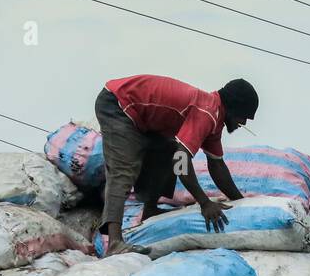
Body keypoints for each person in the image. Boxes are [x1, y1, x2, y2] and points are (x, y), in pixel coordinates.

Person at [95, 74, 259, 256]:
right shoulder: (207, 112)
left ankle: (149, 210)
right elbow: (181, 159)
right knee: (123, 170)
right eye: (243, 117)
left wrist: (241, 202)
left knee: (167, 148)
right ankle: (115, 242)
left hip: (143, 116)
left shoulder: (214, 122)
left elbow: (217, 166)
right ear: (233, 107)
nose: (242, 123)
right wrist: (204, 202)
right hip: (119, 102)